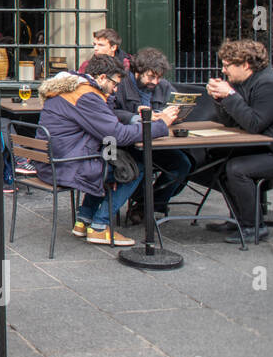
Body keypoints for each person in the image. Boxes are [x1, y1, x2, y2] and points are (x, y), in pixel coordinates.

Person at [36, 55, 173, 246]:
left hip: (58, 160)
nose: (116, 89)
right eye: (115, 84)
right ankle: (100, 227)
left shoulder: (73, 89)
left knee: (115, 164)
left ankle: (84, 221)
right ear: (101, 78)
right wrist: (161, 125)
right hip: (67, 165)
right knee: (135, 168)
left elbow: (106, 132)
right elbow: (118, 135)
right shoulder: (86, 96)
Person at [204, 39, 273, 245]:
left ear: (245, 65)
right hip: (268, 146)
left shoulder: (268, 85)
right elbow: (231, 121)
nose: (223, 71)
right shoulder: (246, 83)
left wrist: (230, 95)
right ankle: (239, 220)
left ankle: (254, 227)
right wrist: (219, 99)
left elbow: (253, 123)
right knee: (220, 162)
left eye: (227, 65)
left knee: (237, 168)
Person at [110, 47, 192, 222]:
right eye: (151, 76)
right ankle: (142, 203)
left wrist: (170, 115)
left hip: (157, 140)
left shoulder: (163, 86)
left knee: (183, 164)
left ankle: (147, 204)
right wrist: (134, 117)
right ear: (137, 71)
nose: (155, 81)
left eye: (159, 77)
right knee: (140, 166)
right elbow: (110, 112)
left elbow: (172, 113)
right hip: (127, 143)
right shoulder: (121, 84)